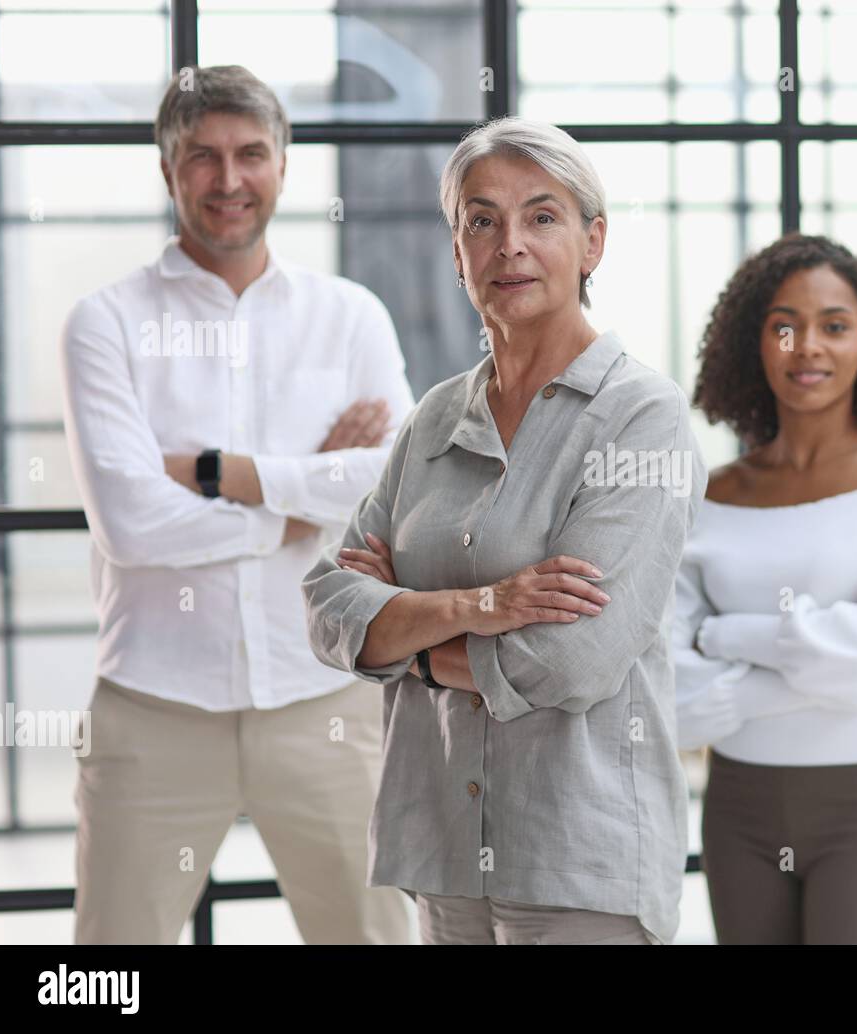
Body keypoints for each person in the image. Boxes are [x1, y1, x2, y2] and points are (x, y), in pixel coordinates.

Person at [302, 115, 706, 945]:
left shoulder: (642, 420)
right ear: (457, 254)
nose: (509, 244)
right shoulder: (433, 420)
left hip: (579, 857)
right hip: (443, 846)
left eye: (542, 216)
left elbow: (570, 662)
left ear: (593, 243)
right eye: (481, 221)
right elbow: (330, 605)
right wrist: (484, 604)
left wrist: (406, 636)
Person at [59, 65, 415, 944]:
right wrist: (306, 502)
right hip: (155, 707)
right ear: (168, 169)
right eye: (202, 157)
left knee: (374, 939)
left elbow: (398, 493)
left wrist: (223, 475)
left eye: (251, 153)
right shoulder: (103, 323)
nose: (229, 180)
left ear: (284, 164)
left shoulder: (351, 316)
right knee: (111, 965)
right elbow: (133, 524)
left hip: (325, 699)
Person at [674, 233, 857, 944]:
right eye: (784, 327)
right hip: (737, 803)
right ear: (755, 343)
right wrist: (830, 666)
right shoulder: (710, 495)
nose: (808, 348)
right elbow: (668, 690)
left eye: (834, 326)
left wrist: (728, 636)